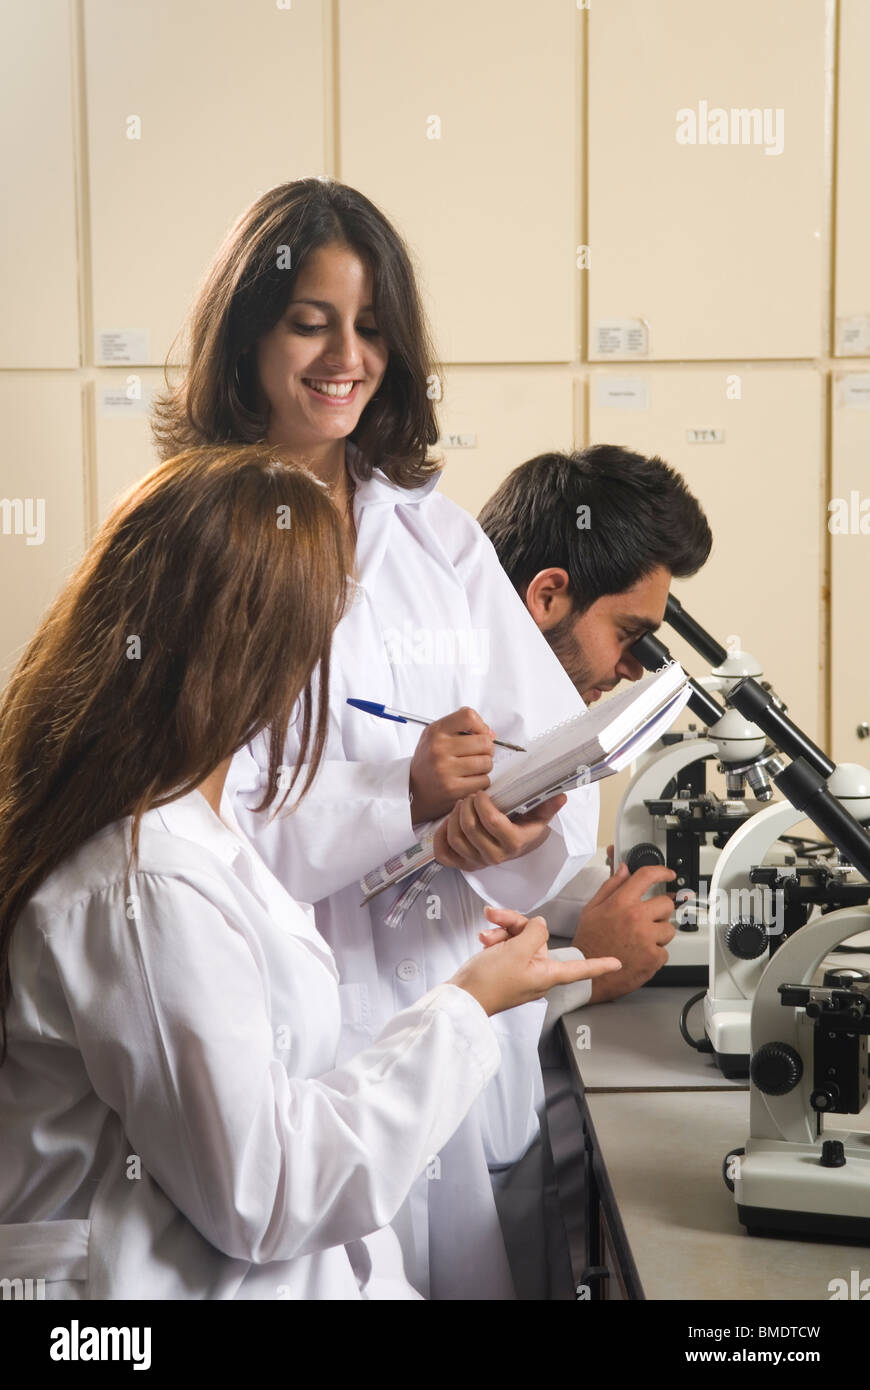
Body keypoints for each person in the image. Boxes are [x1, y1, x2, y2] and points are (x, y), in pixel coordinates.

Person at [0, 444, 618, 1301]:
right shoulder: (143, 883)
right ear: (249, 647)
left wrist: (462, 936)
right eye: (315, 626)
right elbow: (267, 1196)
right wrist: (467, 1006)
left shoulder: (193, 835)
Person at [152, 179, 601, 1299]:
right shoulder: (187, 542)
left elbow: (559, 765)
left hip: (447, 998)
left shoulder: (436, 539)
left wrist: (509, 822)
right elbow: (175, 820)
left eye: (369, 326)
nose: (344, 354)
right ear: (249, 331)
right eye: (311, 320)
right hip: (291, 1031)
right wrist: (395, 795)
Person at [478, 445, 713, 1000]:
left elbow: (512, 891)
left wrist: (603, 894)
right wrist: (589, 967)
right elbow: (435, 1004)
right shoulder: (451, 742)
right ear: (548, 597)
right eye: (628, 633)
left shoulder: (522, 721)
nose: (634, 668)